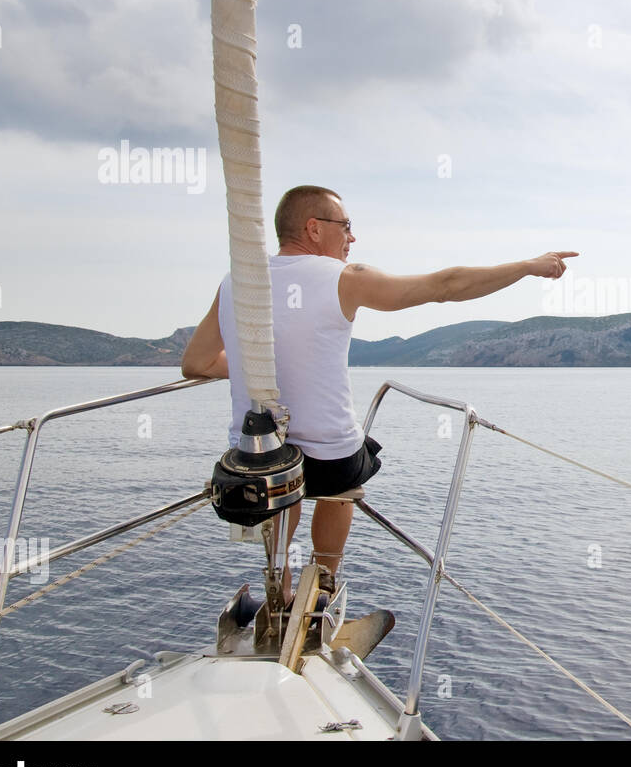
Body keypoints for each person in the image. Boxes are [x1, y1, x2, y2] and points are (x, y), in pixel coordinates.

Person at [181, 184, 576, 601]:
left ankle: (279, 580)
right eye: (346, 226)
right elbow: (446, 285)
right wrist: (529, 266)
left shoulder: (236, 283)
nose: (352, 237)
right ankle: (323, 585)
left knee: (287, 468)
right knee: (352, 461)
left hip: (254, 463)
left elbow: (197, 363)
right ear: (313, 229)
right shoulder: (346, 280)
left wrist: (259, 368)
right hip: (327, 463)